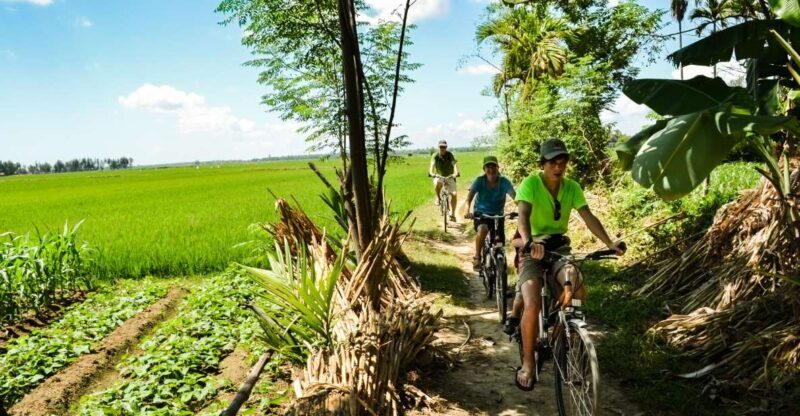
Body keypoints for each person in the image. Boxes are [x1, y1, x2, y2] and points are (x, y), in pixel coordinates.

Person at [508, 138, 625, 391]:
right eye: (552, 162)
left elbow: (588, 217)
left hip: (559, 248)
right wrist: (528, 243)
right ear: (543, 163)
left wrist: (610, 242)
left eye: (562, 162)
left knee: (577, 287)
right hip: (533, 249)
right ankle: (528, 364)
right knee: (532, 302)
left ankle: (564, 332)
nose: (558, 167)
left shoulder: (571, 187)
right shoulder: (530, 184)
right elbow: (523, 217)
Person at [463, 155, 516, 270]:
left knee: (500, 243)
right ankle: (477, 257)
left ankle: (499, 268)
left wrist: (522, 209)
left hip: (498, 215)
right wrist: (467, 210)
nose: (491, 169)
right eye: (488, 167)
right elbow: (469, 198)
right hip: (482, 214)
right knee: (483, 230)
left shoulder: (504, 182)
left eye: (493, 166)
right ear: (484, 169)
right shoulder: (479, 181)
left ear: (498, 168)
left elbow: (515, 197)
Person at [428, 140, 460, 221]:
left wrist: (455, 173)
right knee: (437, 183)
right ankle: (438, 198)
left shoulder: (450, 155)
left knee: (454, 194)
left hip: (450, 176)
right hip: (439, 176)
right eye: (441, 147)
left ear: (446, 147)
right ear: (438, 147)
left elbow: (454, 164)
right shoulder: (435, 155)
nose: (442, 148)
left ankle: (453, 214)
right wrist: (431, 173)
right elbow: (432, 165)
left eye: (444, 147)